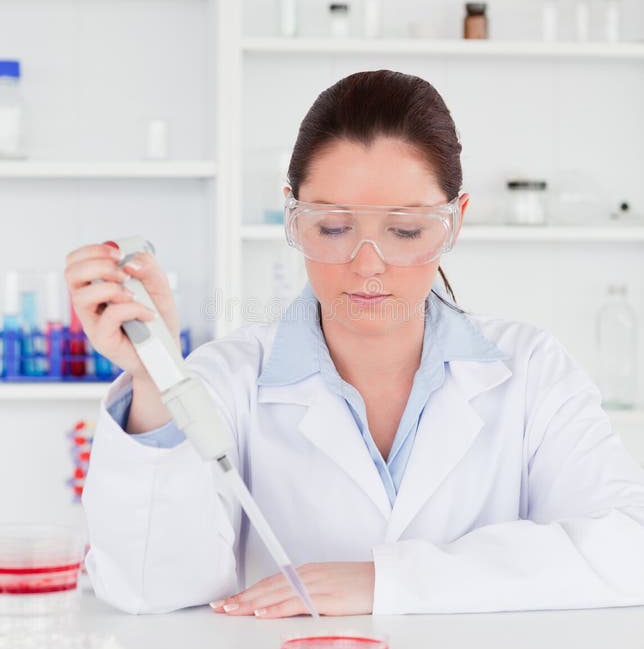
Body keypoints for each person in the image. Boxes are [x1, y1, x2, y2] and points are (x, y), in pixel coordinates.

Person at [65, 70, 644, 617]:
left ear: (455, 221)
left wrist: (386, 581)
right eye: (334, 228)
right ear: (293, 214)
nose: (368, 265)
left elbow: (626, 552)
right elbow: (147, 588)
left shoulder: (531, 370)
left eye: (405, 230)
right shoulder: (226, 376)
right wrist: (153, 381)